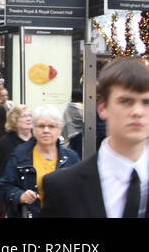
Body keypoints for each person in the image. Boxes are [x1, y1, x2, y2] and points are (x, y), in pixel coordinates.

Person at [40, 57, 149, 217]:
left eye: (146, 102)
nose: (138, 112)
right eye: (126, 101)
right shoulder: (63, 187)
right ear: (102, 107)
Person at [0, 104, 78, 218]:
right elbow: (4, 187)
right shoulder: (19, 154)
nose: (46, 130)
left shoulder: (71, 158)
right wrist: (20, 195)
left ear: (60, 129)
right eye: (41, 126)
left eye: (51, 126)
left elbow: (82, 193)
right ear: (33, 128)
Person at [0, 104, 33, 217]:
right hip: (15, 198)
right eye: (24, 116)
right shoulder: (5, 144)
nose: (29, 119)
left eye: (30, 115)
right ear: (14, 120)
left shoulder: (37, 140)